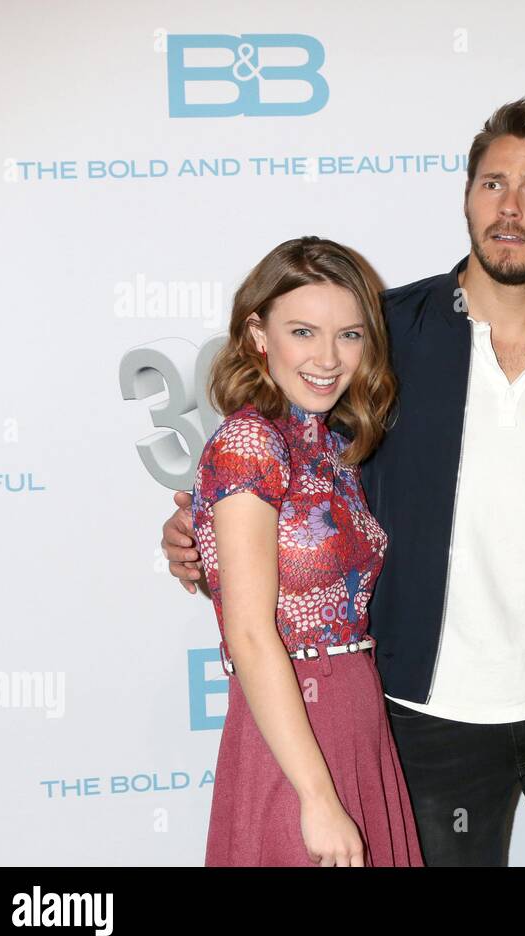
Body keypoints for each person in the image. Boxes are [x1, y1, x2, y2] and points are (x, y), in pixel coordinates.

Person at [163, 98, 525, 866]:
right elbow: (275, 483)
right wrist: (197, 532)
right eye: (493, 183)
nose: (511, 207)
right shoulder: (383, 334)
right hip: (425, 713)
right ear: (466, 195)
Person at [190, 236, 422, 867]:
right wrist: (317, 797)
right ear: (258, 335)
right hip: (295, 735)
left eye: (349, 335)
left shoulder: (325, 444)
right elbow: (249, 631)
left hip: (353, 718)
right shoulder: (250, 442)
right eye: (303, 331)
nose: (328, 357)